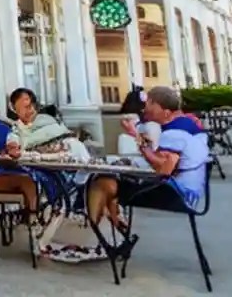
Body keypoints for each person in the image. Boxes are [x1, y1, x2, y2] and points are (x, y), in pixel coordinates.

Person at [87, 86, 209, 237]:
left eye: (150, 103)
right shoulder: (184, 123)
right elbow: (161, 158)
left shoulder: (175, 131)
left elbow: (163, 169)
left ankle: (96, 234)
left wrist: (139, 151)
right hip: (189, 189)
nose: (145, 108)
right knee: (112, 179)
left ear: (163, 109)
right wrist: (136, 135)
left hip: (176, 193)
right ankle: (114, 221)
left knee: (102, 181)